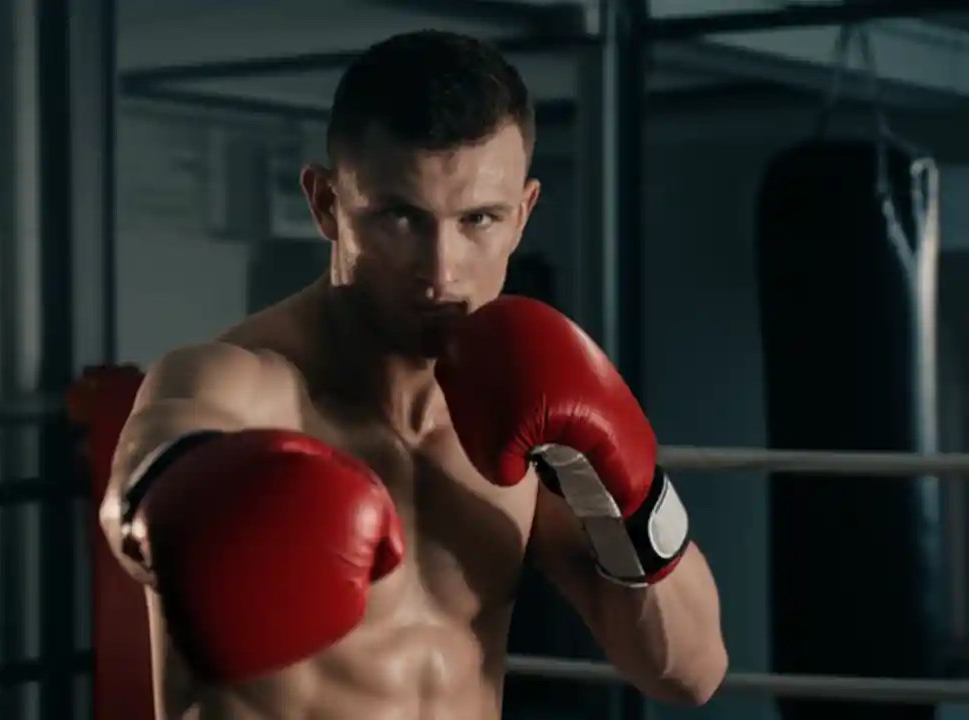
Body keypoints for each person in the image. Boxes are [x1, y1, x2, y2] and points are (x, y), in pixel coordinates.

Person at [100, 29, 727, 719]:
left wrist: (631, 500)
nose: (441, 271)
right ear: (326, 205)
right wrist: (198, 491)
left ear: (524, 214)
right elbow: (143, 495)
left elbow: (689, 674)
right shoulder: (241, 384)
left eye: (479, 219)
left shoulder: (522, 417)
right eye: (400, 217)